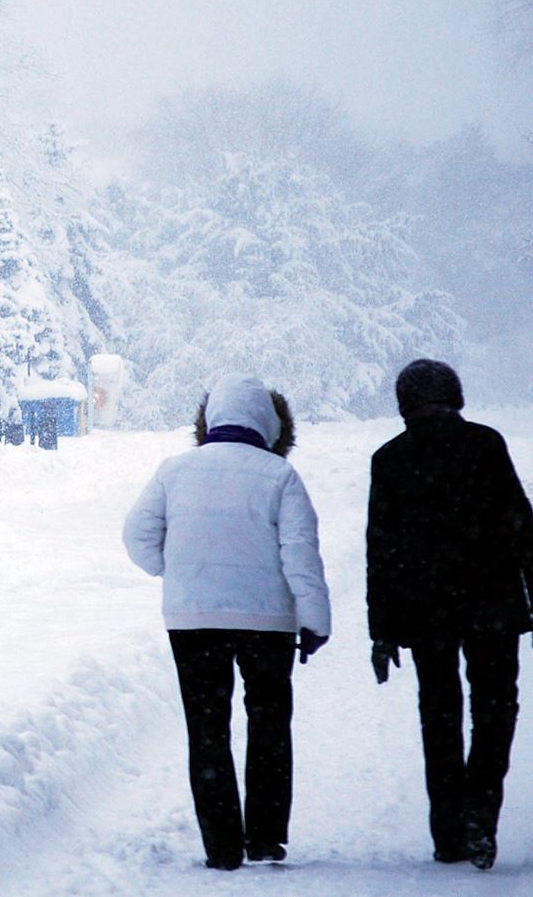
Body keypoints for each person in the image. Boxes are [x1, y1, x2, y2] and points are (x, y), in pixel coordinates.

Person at [123, 372, 331, 872]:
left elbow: (137, 536)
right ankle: (264, 837)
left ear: (209, 418)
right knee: (269, 723)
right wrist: (315, 620)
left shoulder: (174, 471)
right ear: (271, 423)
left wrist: (176, 571)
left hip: (194, 619)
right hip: (268, 620)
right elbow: (301, 553)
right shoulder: (280, 476)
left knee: (207, 729)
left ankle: (221, 846)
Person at [367, 359, 533, 872]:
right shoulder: (485, 444)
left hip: (426, 613)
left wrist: (382, 633)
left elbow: (380, 551)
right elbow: (523, 525)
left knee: (439, 715)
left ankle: (448, 832)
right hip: (492, 605)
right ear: (455, 396)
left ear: (404, 404)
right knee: (495, 710)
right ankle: (482, 808)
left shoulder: (389, 459)